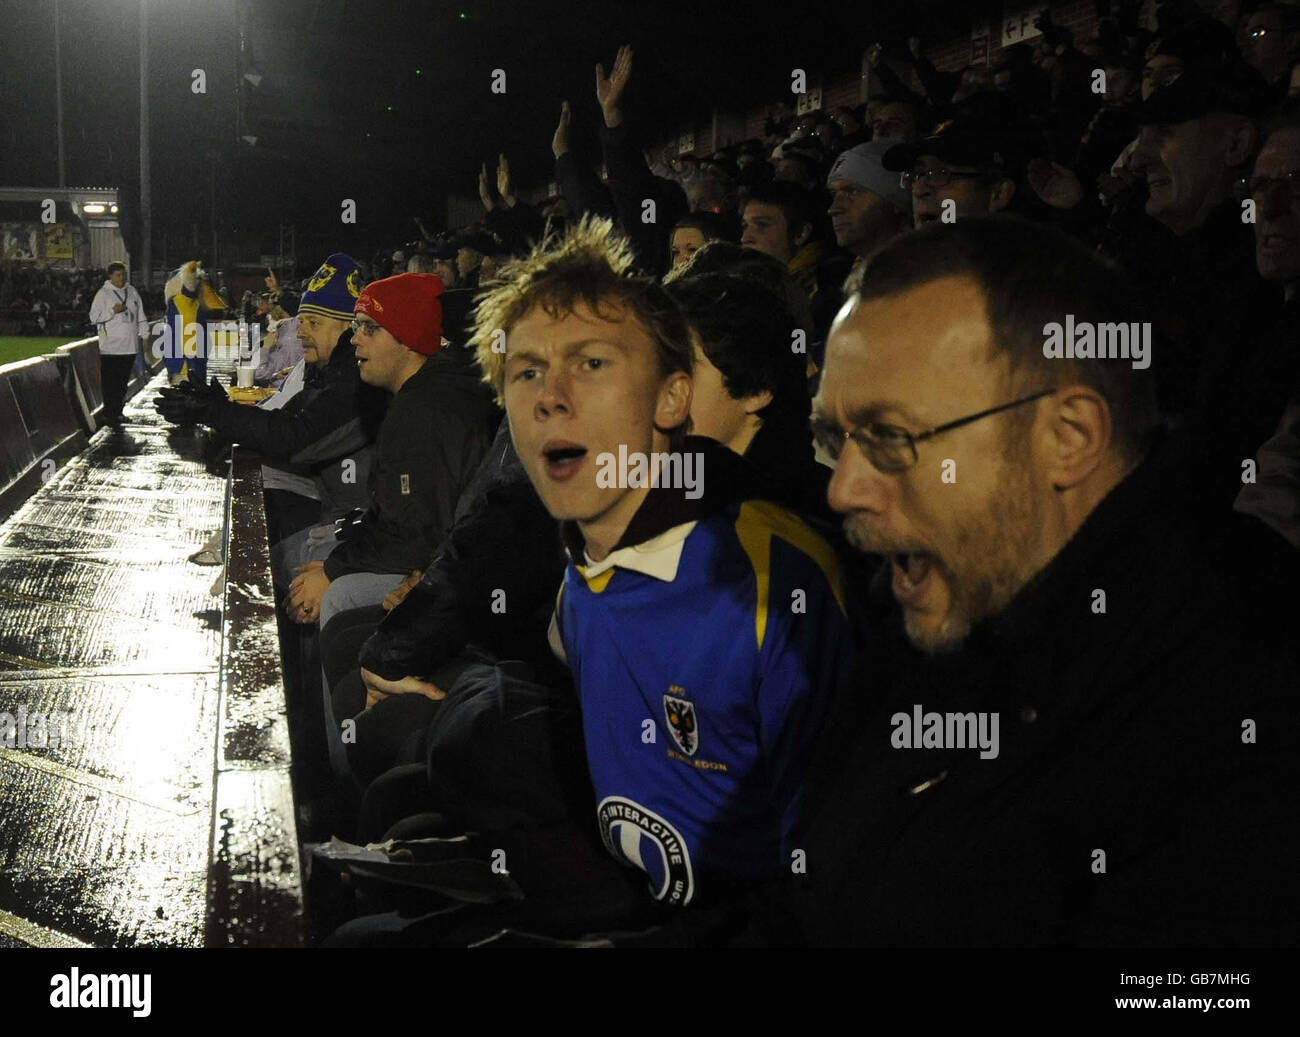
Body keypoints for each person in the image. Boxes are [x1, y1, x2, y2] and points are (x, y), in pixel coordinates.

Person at [769, 216, 1299, 946]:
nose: (844, 488)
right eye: (835, 439)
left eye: (891, 436)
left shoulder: (1248, 696)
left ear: (1069, 437)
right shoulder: (938, 598)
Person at [470, 216, 852, 909]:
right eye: (526, 370)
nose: (549, 394)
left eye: (591, 362)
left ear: (673, 396)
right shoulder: (579, 563)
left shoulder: (773, 584)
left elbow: (830, 877)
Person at [154, 252, 387, 584]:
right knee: (256, 490)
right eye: (303, 320)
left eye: (314, 323)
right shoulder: (329, 366)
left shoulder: (358, 373)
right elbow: (285, 420)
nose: (301, 331)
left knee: (263, 572)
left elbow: (297, 438)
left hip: (354, 520)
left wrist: (215, 411)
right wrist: (219, 408)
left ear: (350, 326)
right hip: (337, 506)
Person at [285, 272, 498, 629]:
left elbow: (415, 536)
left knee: (327, 589)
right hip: (440, 554)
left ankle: (310, 680)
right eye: (357, 327)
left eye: (371, 328)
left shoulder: (424, 407)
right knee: (310, 567)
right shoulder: (427, 389)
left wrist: (334, 570)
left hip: (455, 569)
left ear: (408, 339)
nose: (355, 340)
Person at [88, 261, 149, 431]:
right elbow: (93, 317)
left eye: (123, 275)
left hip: (129, 346)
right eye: (117, 275)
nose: (121, 278)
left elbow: (141, 315)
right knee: (110, 383)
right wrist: (112, 312)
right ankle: (110, 414)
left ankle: (118, 412)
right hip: (110, 347)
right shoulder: (103, 294)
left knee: (122, 383)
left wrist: (145, 335)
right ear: (110, 276)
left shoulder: (132, 292)